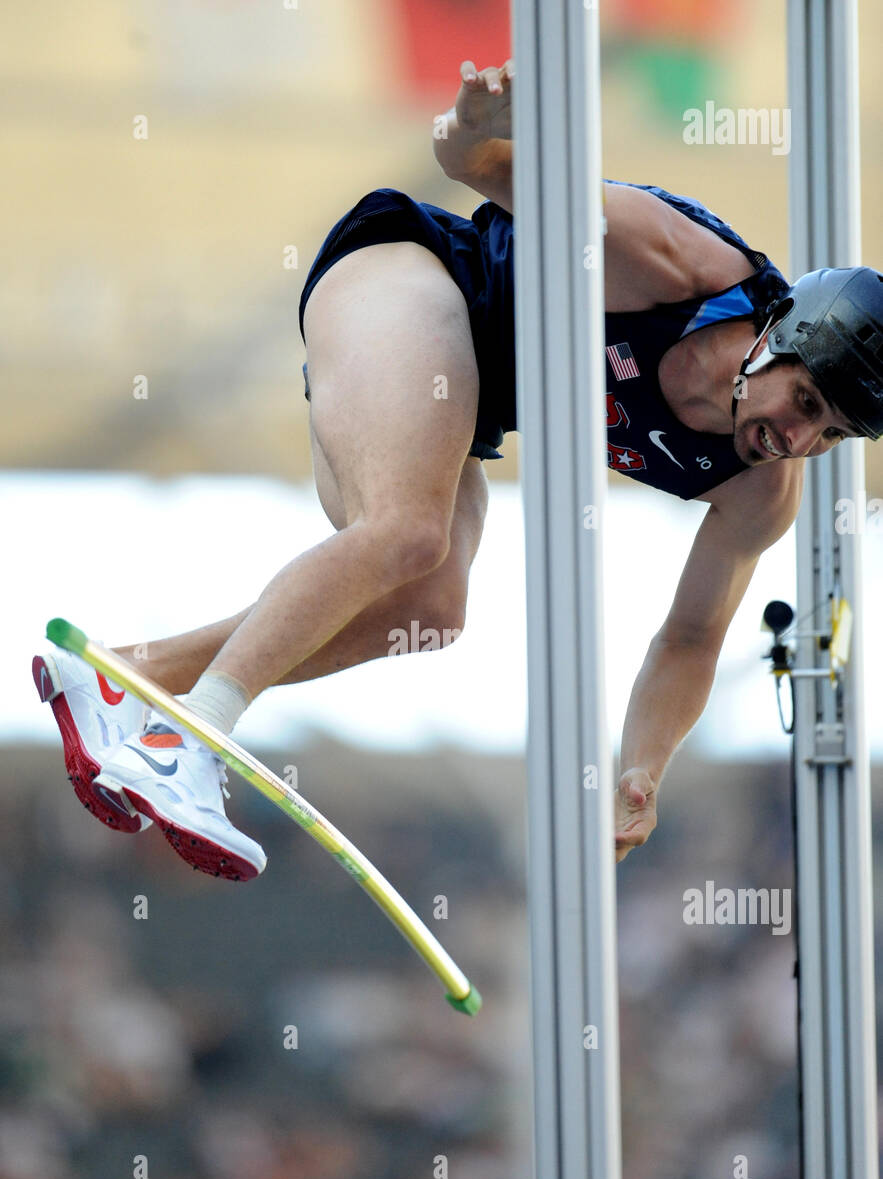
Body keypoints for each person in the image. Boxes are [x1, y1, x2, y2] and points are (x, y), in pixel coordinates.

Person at [33, 59, 883, 881]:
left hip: (458, 404)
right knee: (406, 533)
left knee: (430, 608)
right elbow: (473, 167)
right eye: (808, 404)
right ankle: (191, 737)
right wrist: (474, 132)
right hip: (403, 280)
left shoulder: (758, 490)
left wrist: (642, 769)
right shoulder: (674, 265)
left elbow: (690, 638)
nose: (800, 441)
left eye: (832, 435)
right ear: (781, 336)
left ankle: (127, 675)